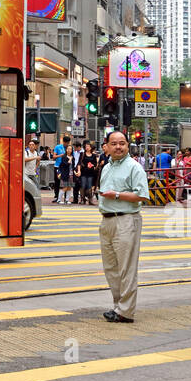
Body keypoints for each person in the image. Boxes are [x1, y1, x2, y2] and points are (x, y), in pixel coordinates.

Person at [98, 129, 149, 323]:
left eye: (122, 143)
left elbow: (143, 195)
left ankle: (126, 311)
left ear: (128, 146)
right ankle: (118, 306)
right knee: (111, 267)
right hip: (107, 220)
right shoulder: (106, 167)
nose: (118, 147)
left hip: (126, 220)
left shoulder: (134, 167)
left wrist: (117, 195)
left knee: (126, 268)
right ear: (107, 147)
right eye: (114, 143)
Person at [79, 140, 100, 206]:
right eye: (86, 146)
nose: (87, 147)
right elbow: (80, 163)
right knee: (83, 185)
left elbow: (95, 163)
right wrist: (84, 167)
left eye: (88, 146)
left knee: (89, 186)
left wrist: (92, 166)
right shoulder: (82, 154)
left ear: (91, 148)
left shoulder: (94, 155)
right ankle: (82, 199)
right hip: (83, 172)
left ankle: (90, 199)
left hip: (90, 173)